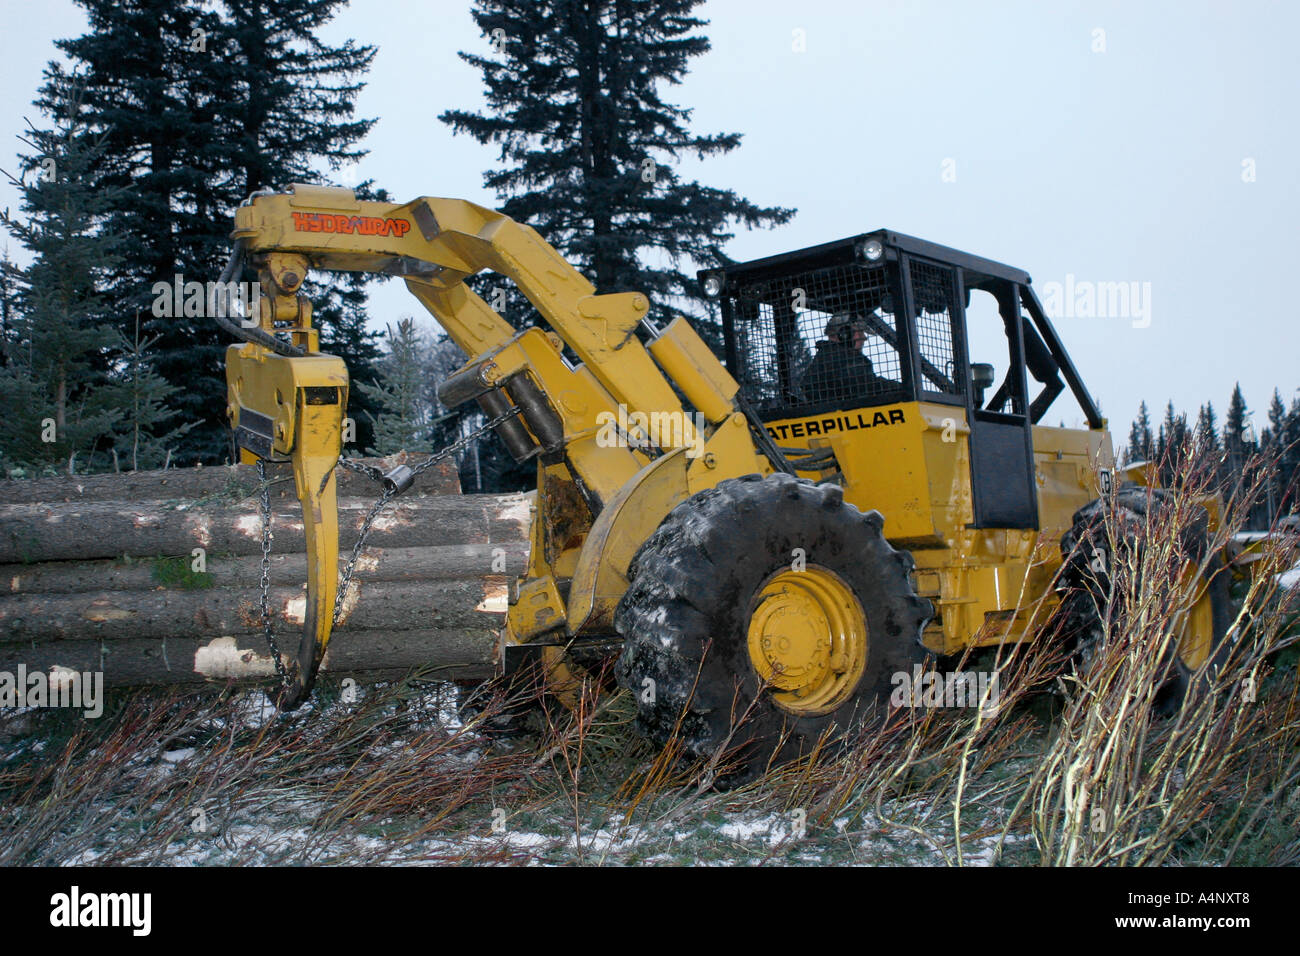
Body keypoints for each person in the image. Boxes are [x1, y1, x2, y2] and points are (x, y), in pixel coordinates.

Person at [798, 312, 884, 405]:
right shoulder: (838, 360)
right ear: (845, 334)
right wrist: (900, 389)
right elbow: (869, 385)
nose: (864, 338)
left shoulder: (826, 358)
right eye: (860, 332)